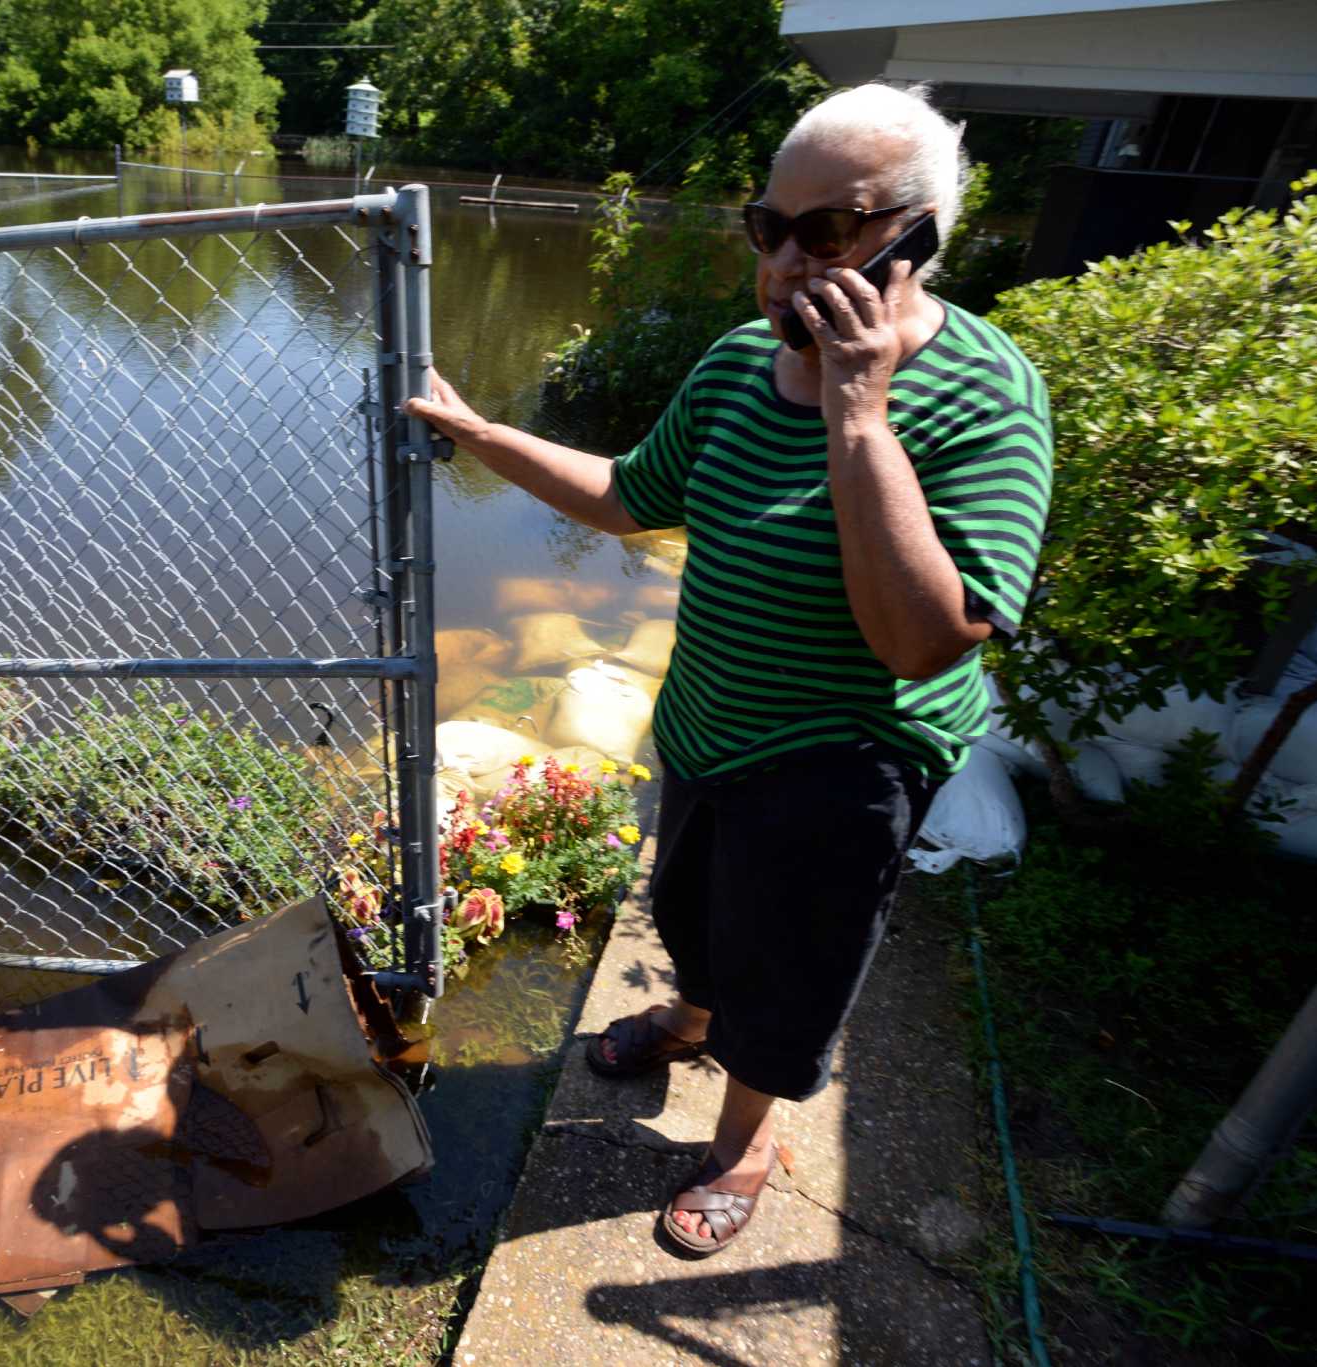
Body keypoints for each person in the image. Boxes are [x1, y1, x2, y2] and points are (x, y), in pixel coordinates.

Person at [406, 83, 1052, 1259]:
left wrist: (859, 413)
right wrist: (483, 433)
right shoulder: (736, 363)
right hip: (706, 724)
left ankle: (746, 1135)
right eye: (768, 225)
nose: (782, 261)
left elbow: (922, 636)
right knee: (692, 910)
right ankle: (692, 1014)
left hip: (842, 759)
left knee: (791, 960)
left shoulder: (987, 395)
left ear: (913, 235)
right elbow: (628, 495)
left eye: (826, 229)